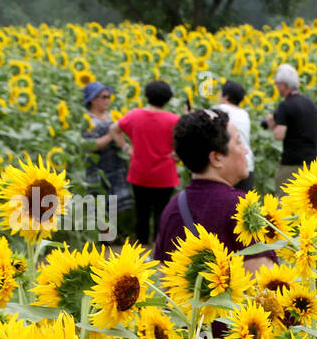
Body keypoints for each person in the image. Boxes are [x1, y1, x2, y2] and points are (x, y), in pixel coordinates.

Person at [153, 108, 275, 276]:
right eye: (239, 141)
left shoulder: (173, 208)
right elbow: (264, 280)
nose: (246, 150)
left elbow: (166, 282)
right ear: (216, 158)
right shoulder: (240, 209)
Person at [110, 79, 179, 248]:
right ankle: (159, 248)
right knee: (161, 213)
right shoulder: (174, 120)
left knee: (141, 212)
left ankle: (141, 247)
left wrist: (126, 147)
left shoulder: (135, 115)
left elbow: (113, 128)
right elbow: (186, 139)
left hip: (140, 172)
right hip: (164, 174)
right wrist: (177, 154)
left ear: (147, 95)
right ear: (167, 99)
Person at [80, 80, 133, 238]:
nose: (107, 100)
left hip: (116, 165)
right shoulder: (87, 120)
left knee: (114, 203)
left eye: (108, 96)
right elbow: (91, 145)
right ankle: (101, 238)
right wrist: (112, 134)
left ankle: (111, 236)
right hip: (97, 166)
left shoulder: (113, 116)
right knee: (99, 203)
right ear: (92, 99)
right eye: (103, 97)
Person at [263, 64, 317, 192]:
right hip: (312, 163)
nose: (276, 87)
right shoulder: (310, 103)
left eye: (277, 83)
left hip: (292, 164)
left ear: (284, 84)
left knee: (285, 201)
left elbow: (279, 135)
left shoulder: (285, 106)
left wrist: (271, 124)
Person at [214, 79, 255, 193]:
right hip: (247, 165)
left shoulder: (218, 110)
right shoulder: (244, 114)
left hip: (228, 169)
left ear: (225, 95)